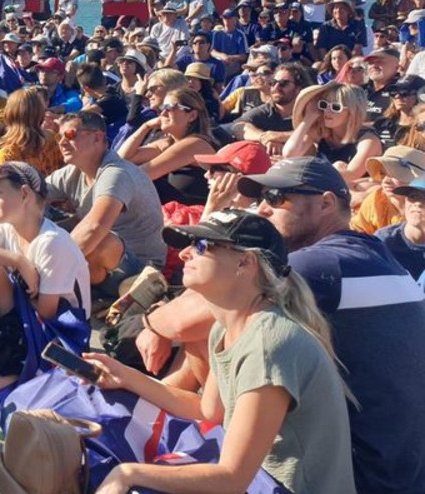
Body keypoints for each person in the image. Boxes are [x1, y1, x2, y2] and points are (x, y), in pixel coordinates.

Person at [85, 209, 355, 494]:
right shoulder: (225, 329)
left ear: (245, 262)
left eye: (202, 246)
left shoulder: (269, 343)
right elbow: (207, 410)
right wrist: (125, 376)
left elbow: (232, 479)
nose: (185, 254)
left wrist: (128, 473)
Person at [239, 157, 425, 492]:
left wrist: (150, 322)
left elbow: (181, 322)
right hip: (397, 469)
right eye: (260, 198)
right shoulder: (370, 253)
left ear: (326, 203)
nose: (262, 210)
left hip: (361, 478)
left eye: (276, 198)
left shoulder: (323, 265)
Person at [0, 162, 91, 394]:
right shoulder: (7, 229)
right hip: (25, 325)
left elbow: (47, 313)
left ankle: (10, 366)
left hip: (58, 339)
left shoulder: (52, 242)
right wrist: (18, 261)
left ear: (25, 194)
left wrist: (13, 278)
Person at [46, 111, 166, 292]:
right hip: (105, 265)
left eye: (70, 135)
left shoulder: (117, 173)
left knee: (99, 241)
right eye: (58, 137)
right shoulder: (72, 172)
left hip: (141, 269)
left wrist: (45, 270)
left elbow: (94, 228)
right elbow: (31, 196)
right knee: (31, 210)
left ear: (97, 137)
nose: (62, 142)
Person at [118, 88, 217, 205]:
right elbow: (121, 159)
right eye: (162, 107)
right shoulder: (167, 144)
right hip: (173, 211)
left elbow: (141, 176)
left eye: (169, 107)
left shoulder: (195, 145)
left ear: (192, 116)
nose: (162, 114)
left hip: (194, 212)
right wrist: (145, 127)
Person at [284, 82, 381, 185]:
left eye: (335, 107)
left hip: (359, 190)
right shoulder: (321, 131)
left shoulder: (368, 140)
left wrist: (304, 172)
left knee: (338, 166)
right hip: (326, 185)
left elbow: (350, 174)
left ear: (353, 112)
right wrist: (309, 116)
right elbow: (289, 154)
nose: (327, 111)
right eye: (324, 105)